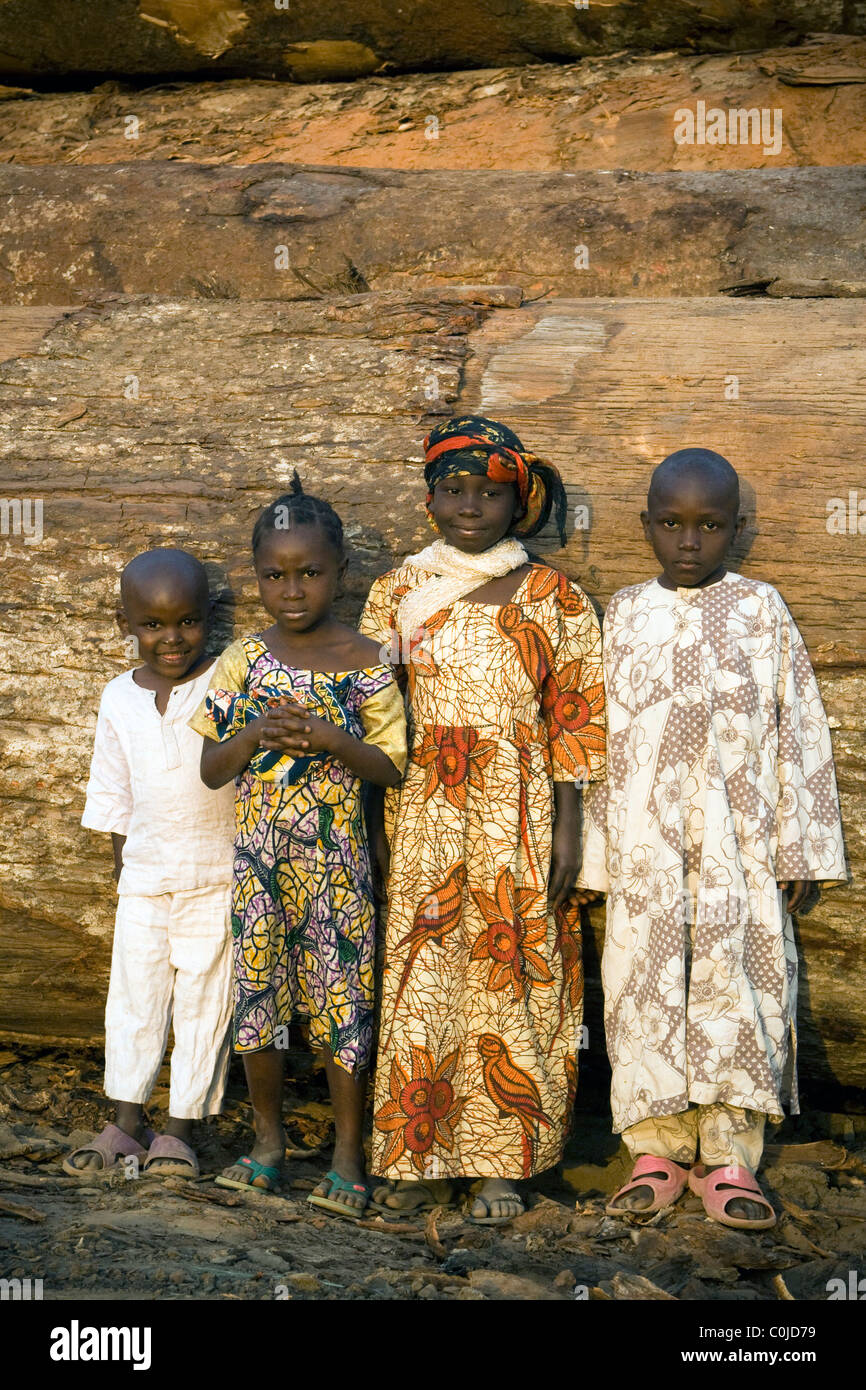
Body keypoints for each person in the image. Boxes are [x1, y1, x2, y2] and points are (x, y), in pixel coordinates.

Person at [580, 447, 847, 1229]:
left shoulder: (762, 609)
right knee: (642, 983)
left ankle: (731, 1155)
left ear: (737, 527)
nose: (689, 542)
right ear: (646, 526)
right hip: (645, 847)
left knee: (744, 987)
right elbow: (597, 737)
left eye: (709, 526)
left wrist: (800, 845)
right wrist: (598, 854)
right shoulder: (625, 612)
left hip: (744, 844)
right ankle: (656, 1148)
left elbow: (800, 727)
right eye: (671, 524)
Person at [360, 415, 606, 1224]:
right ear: (430, 499)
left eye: (490, 492)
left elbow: (574, 715)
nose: (471, 506)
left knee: (515, 976)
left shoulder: (554, 597)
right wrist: (367, 816)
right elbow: (371, 709)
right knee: (425, 975)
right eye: (454, 490)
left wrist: (571, 825)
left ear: (517, 499)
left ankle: (503, 1161)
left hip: (522, 805)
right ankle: (420, 1152)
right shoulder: (396, 592)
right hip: (427, 804)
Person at [191, 476, 406, 1218]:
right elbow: (211, 768)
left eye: (310, 573)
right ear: (256, 576)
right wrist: (253, 734)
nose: (292, 589)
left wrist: (331, 740)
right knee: (259, 1000)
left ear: (340, 573)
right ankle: (268, 1144)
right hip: (260, 868)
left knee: (343, 1005)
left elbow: (392, 766)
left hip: (338, 869)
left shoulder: (368, 660)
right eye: (275, 574)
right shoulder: (244, 662)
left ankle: (349, 1156)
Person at [64, 548, 236, 1179]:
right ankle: (126, 1122)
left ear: (209, 617)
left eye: (187, 621)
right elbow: (112, 793)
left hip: (218, 876)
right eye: (153, 625)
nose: (171, 638)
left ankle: (182, 1130)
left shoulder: (227, 681)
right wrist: (124, 869)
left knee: (204, 1001)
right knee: (134, 999)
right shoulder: (119, 697)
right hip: (144, 879)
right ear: (124, 622)